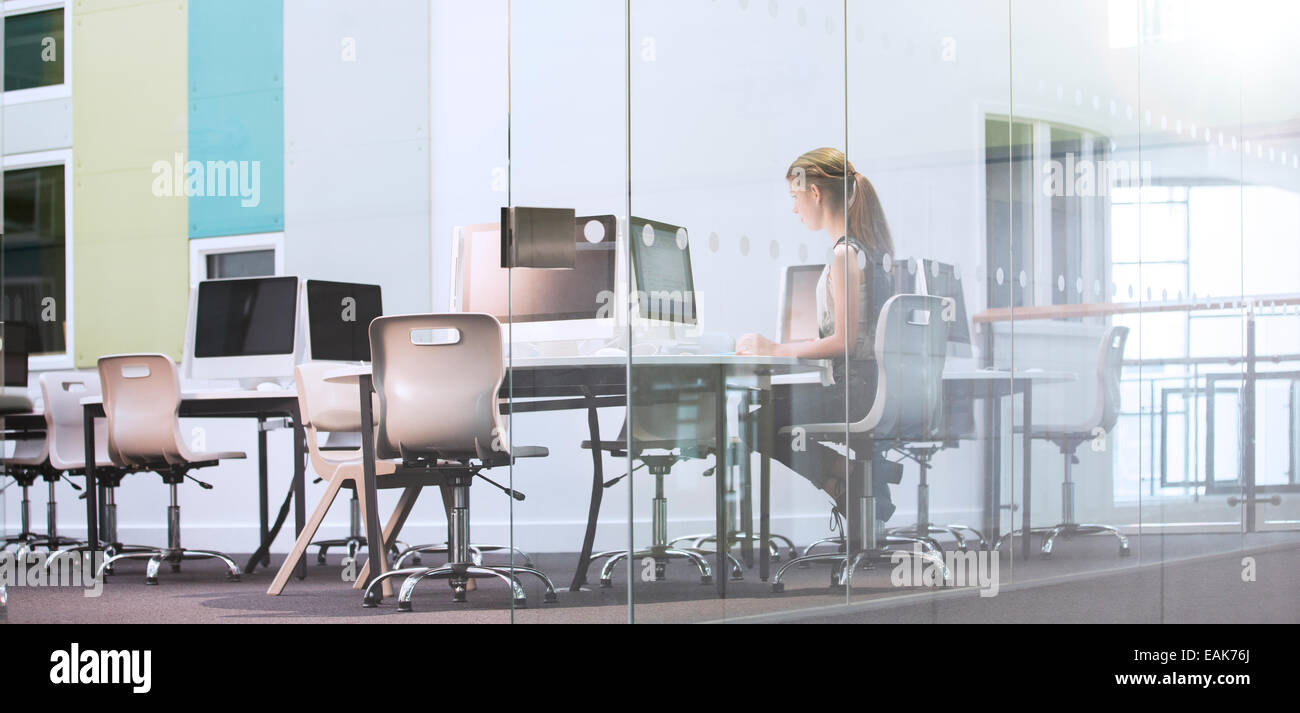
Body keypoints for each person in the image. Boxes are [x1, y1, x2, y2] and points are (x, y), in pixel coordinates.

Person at [734, 147, 901, 521]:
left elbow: (842, 342)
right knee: (768, 410)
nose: (794, 209)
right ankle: (865, 480)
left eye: (795, 197)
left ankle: (850, 481)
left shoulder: (845, 256)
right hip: (870, 388)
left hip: (855, 391)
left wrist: (775, 348)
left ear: (815, 193)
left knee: (754, 420)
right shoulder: (870, 252)